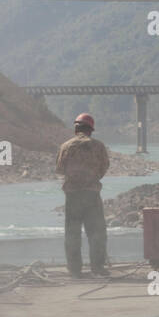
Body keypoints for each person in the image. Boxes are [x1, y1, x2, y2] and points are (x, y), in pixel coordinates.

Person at [55, 112, 110, 277]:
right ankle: (98, 267)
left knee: (72, 233)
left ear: (76, 128)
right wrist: (91, 179)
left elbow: (59, 169)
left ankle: (74, 270)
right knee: (97, 232)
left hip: (72, 195)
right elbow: (104, 168)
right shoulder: (98, 146)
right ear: (91, 130)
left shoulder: (65, 146)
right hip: (92, 194)